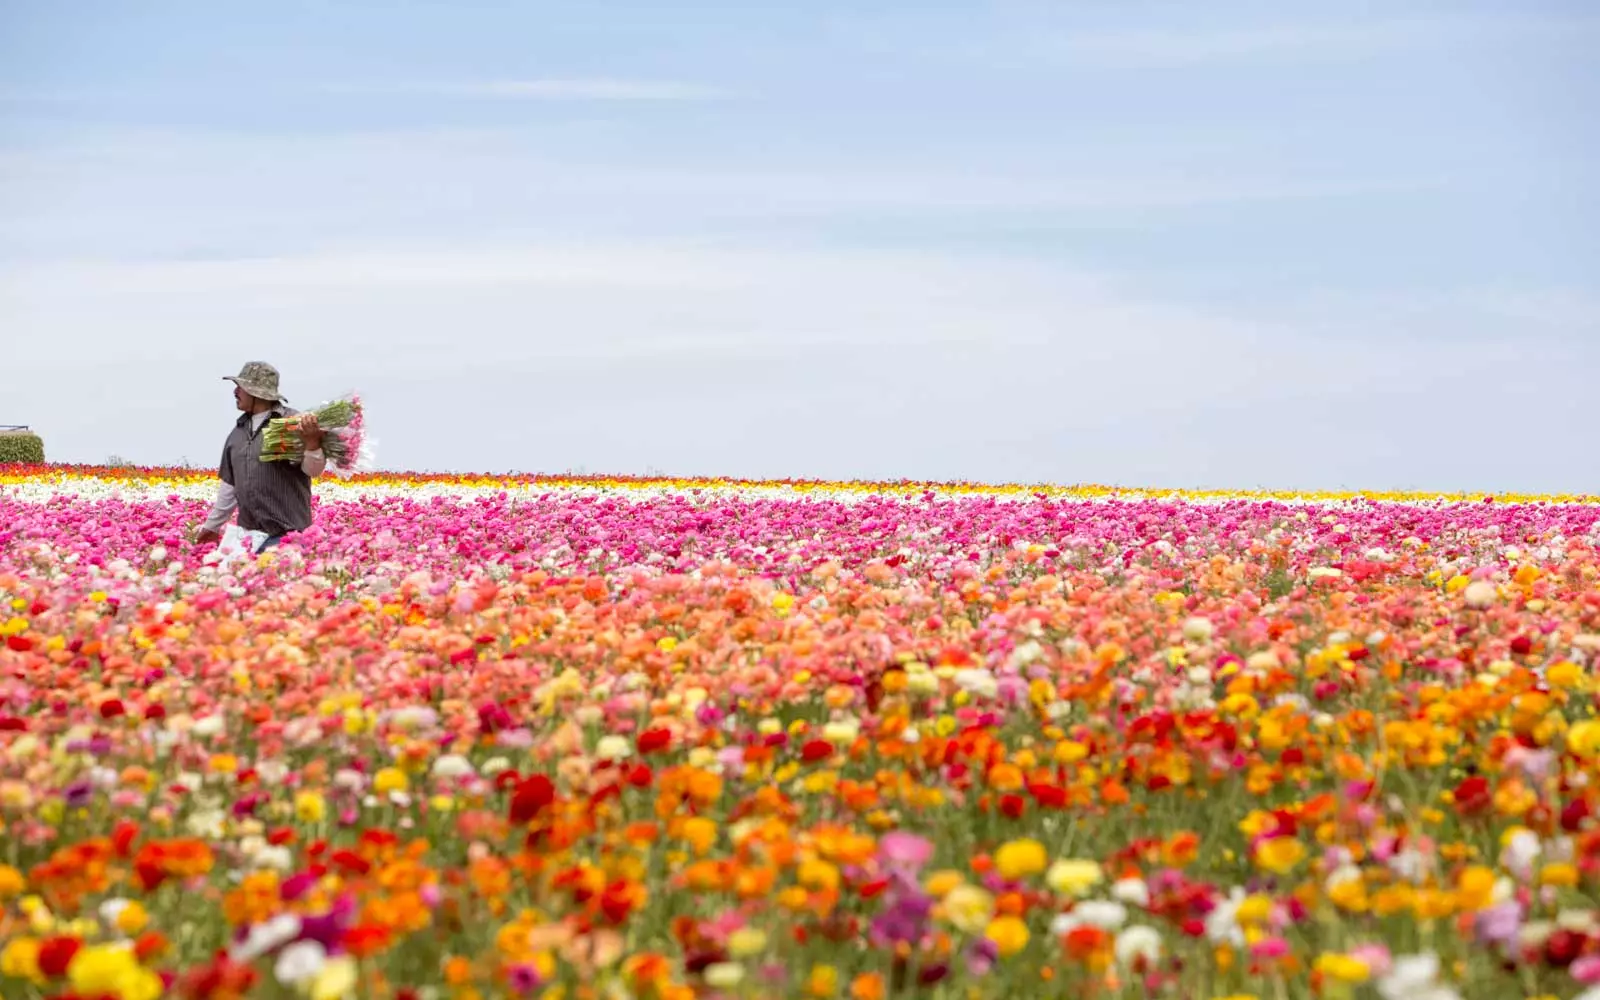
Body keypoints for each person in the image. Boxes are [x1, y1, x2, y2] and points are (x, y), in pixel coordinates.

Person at [195, 362, 326, 553]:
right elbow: (230, 486)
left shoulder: (291, 424)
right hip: (247, 538)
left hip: (286, 537)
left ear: (255, 392)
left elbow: (313, 471)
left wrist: (313, 442)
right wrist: (211, 526)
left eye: (240, 387)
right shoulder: (237, 433)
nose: (235, 392)